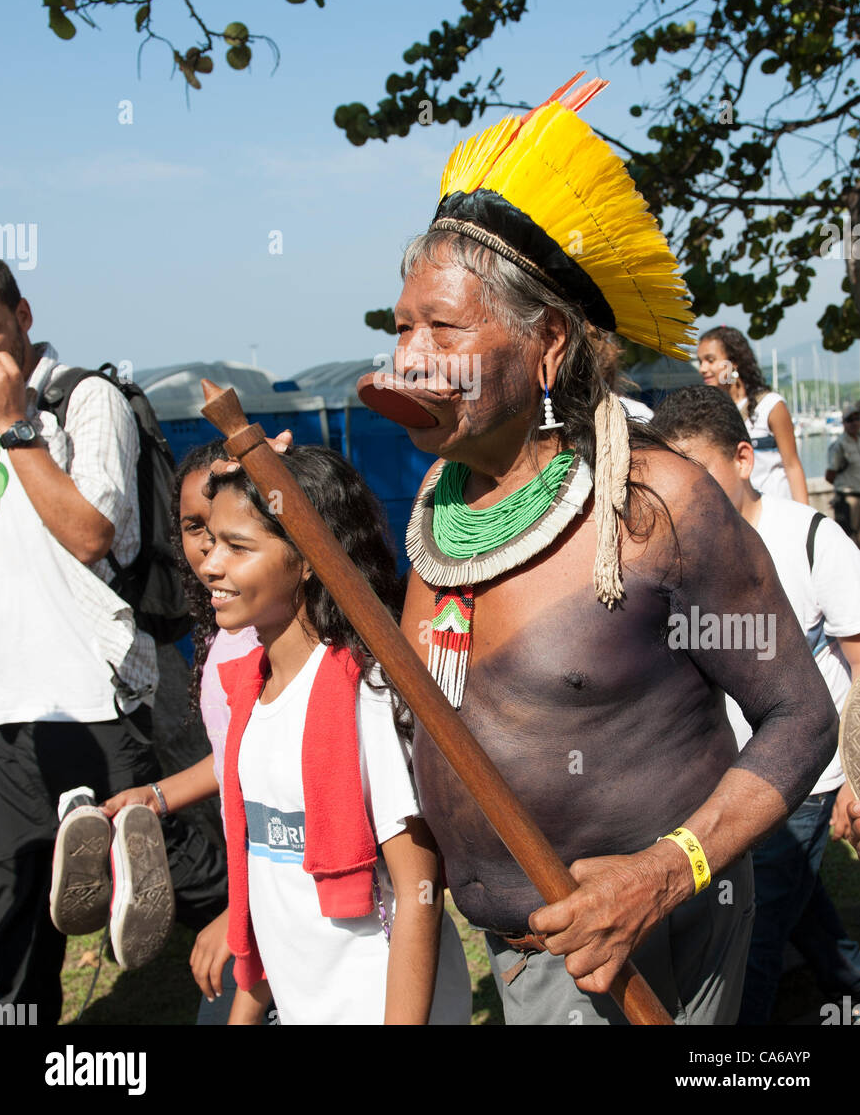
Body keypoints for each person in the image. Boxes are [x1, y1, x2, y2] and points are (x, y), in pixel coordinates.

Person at [355, 74, 837, 1026]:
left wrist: (663, 874)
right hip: (516, 951)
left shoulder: (654, 505)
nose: (407, 359)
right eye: (401, 327)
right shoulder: (437, 500)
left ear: (545, 346)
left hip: (651, 947)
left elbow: (800, 718)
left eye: (442, 329)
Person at [0, 260, 226, 1023]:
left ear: (22, 315)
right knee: (15, 916)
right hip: (7, 707)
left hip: (94, 696)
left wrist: (13, 427)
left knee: (176, 870)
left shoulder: (84, 401)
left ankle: (264, 971)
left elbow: (92, 533)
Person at [200, 450, 471, 1025]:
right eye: (210, 542)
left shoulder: (362, 694)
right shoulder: (251, 694)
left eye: (238, 547)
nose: (210, 565)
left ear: (306, 560)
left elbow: (419, 889)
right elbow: (272, 887)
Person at [653, 383, 860, 1024]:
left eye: (701, 472)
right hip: (721, 781)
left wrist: (856, 776)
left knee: (755, 936)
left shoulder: (813, 541)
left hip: (804, 776)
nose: (686, 490)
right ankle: (847, 986)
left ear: (744, 459)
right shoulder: (671, 553)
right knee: (795, 906)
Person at [101, 440, 265, 1021]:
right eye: (194, 526)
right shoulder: (226, 631)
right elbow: (236, 756)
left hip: (292, 902)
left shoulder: (283, 637)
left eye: (229, 532)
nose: (208, 549)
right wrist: (158, 796)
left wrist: (242, 914)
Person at [697, 325, 807, 502]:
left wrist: (807, 521)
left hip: (777, 510)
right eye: (700, 361)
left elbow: (792, 465)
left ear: (733, 363)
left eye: (710, 360)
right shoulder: (710, 414)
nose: (702, 368)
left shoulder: (770, 405)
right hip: (738, 520)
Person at [826, 400, 860, 543]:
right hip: (847, 498)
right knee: (849, 541)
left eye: (857, 418)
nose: (854, 423)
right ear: (844, 423)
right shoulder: (838, 446)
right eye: (849, 420)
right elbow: (830, 475)